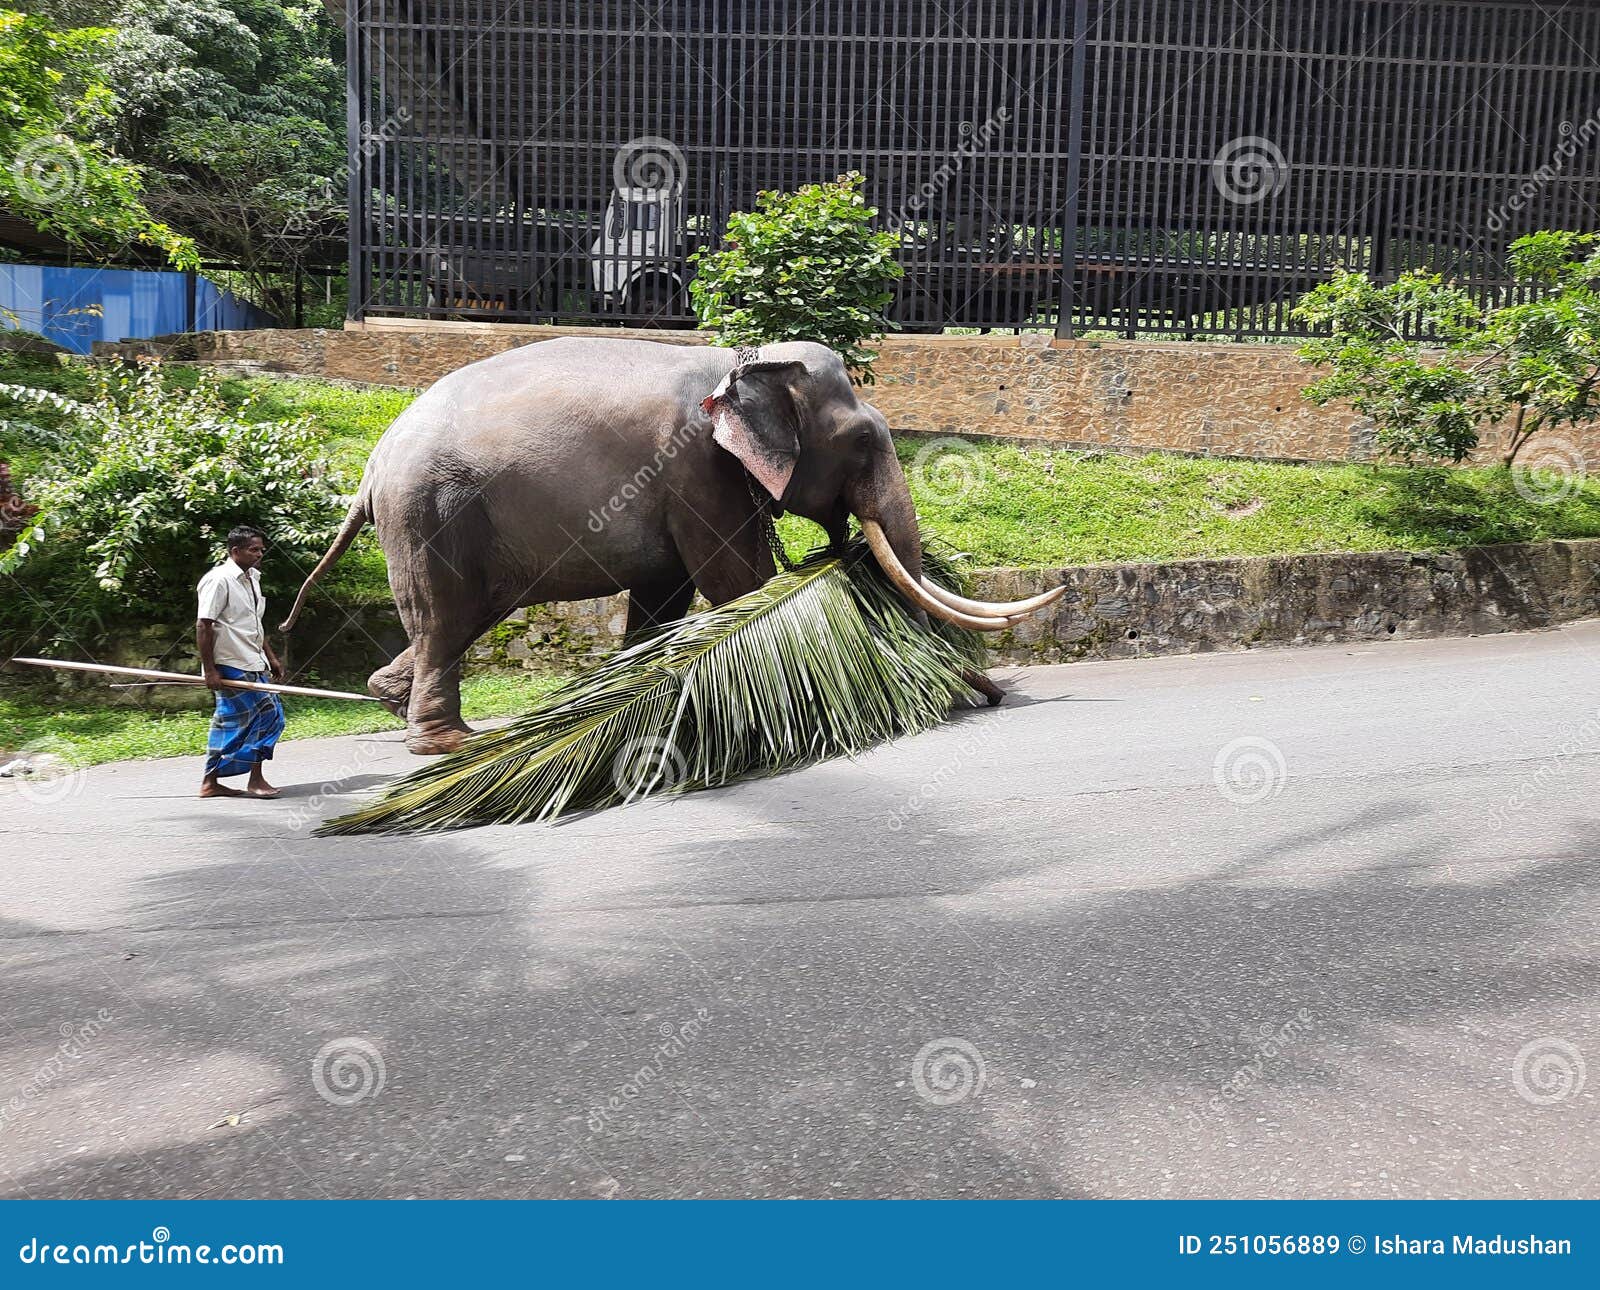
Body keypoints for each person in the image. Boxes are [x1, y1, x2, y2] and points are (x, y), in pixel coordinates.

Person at [196, 525, 287, 799]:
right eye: (253, 549)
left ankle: (212, 782)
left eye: (261, 549)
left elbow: (254, 624)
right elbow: (203, 625)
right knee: (263, 716)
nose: (259, 554)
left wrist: (271, 657)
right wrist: (210, 670)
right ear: (235, 551)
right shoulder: (219, 580)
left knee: (243, 720)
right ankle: (252, 780)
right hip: (230, 662)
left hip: (253, 661)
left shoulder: (253, 579)